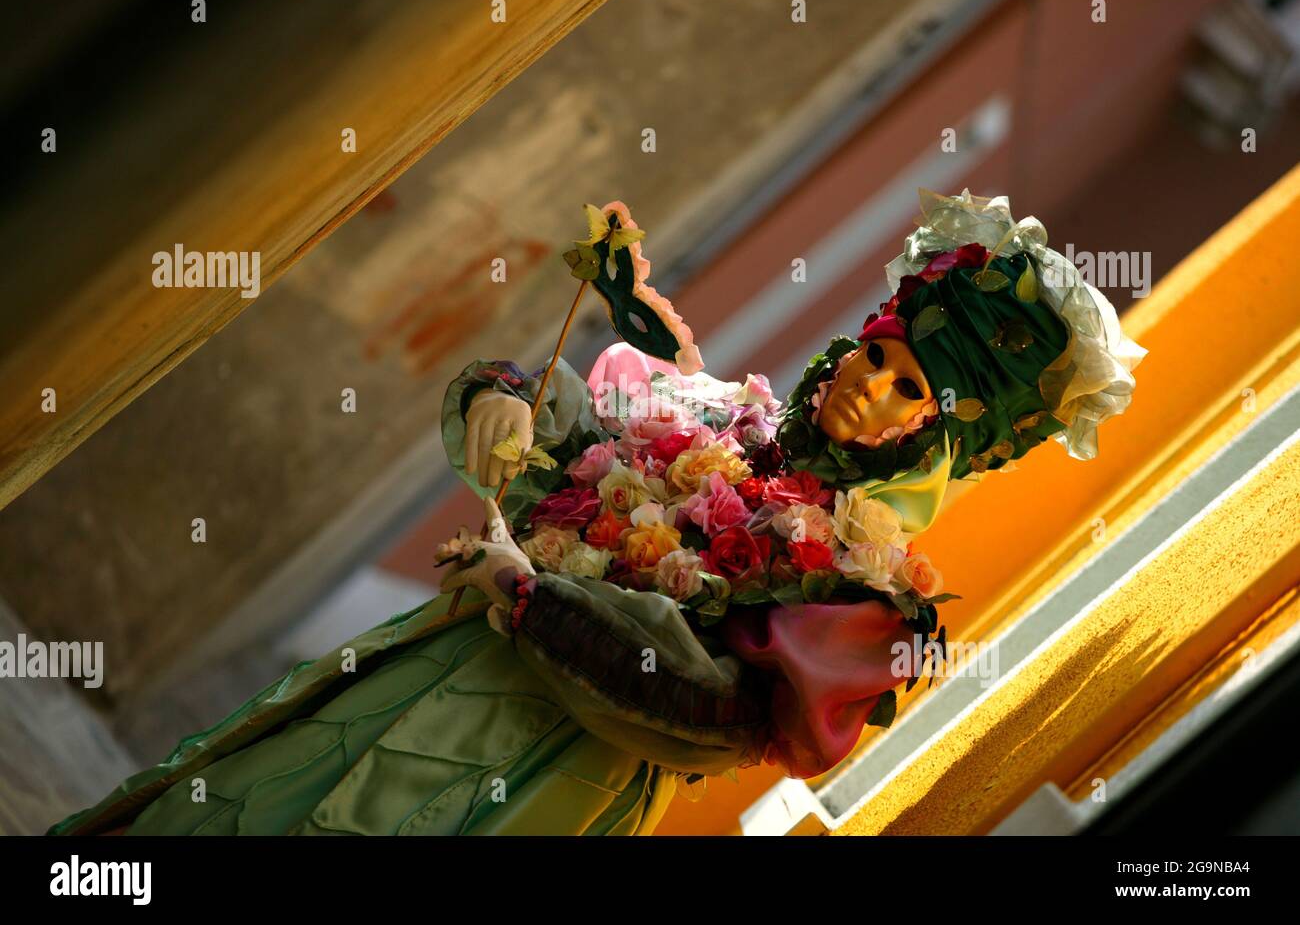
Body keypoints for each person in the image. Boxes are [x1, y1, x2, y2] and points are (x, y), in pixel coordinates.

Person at [51, 191, 1142, 836]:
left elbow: (713, 718)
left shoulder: (865, 599)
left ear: (946, 440)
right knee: (224, 813)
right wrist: (497, 400)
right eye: (876, 356)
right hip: (435, 669)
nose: (871, 388)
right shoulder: (728, 427)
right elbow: (567, 439)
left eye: (911, 392)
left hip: (542, 774)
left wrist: (533, 604)